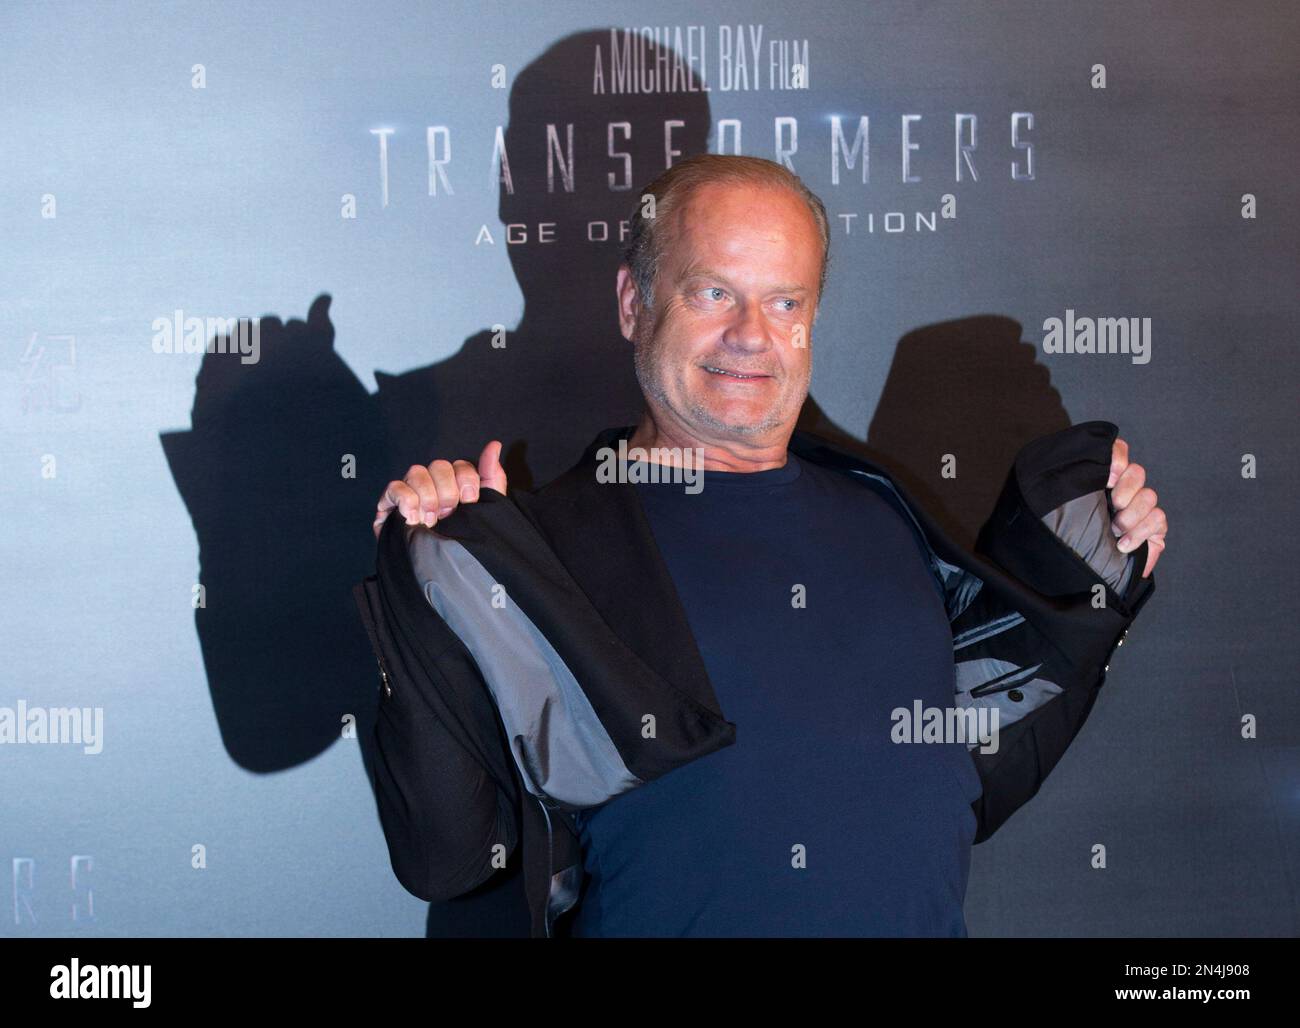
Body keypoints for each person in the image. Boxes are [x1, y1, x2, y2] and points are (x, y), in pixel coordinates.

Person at [365, 154, 1168, 937]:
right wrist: (425, 593)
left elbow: (970, 773)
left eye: (785, 302)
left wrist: (1095, 562)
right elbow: (449, 859)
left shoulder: (885, 513)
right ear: (633, 303)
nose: (752, 335)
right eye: (714, 292)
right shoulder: (538, 553)